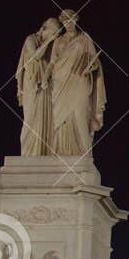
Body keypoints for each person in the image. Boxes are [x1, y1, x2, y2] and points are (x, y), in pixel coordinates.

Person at [47, 9, 105, 156]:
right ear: (62, 22)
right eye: (65, 20)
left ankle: (85, 154)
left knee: (80, 114)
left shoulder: (85, 39)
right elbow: (52, 63)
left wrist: (94, 65)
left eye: (71, 19)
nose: (68, 22)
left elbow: (94, 60)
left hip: (80, 82)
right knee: (60, 119)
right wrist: (45, 78)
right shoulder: (58, 41)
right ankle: (60, 154)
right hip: (60, 83)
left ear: (76, 20)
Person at [15, 17, 60, 155]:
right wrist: (49, 41)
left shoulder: (51, 45)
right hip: (32, 86)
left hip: (45, 87)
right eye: (53, 32)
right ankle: (27, 153)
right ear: (45, 29)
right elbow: (35, 56)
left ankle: (43, 152)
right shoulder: (31, 39)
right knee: (31, 119)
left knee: (46, 120)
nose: (55, 36)